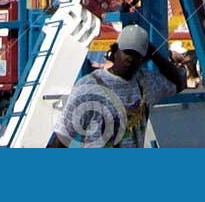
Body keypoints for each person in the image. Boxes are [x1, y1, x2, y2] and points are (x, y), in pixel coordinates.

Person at [48, 24, 186, 148]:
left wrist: (155, 54)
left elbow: (178, 84)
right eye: (126, 51)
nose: (130, 58)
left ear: (143, 58)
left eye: (136, 54)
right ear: (114, 51)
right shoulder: (88, 86)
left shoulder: (146, 83)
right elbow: (62, 139)